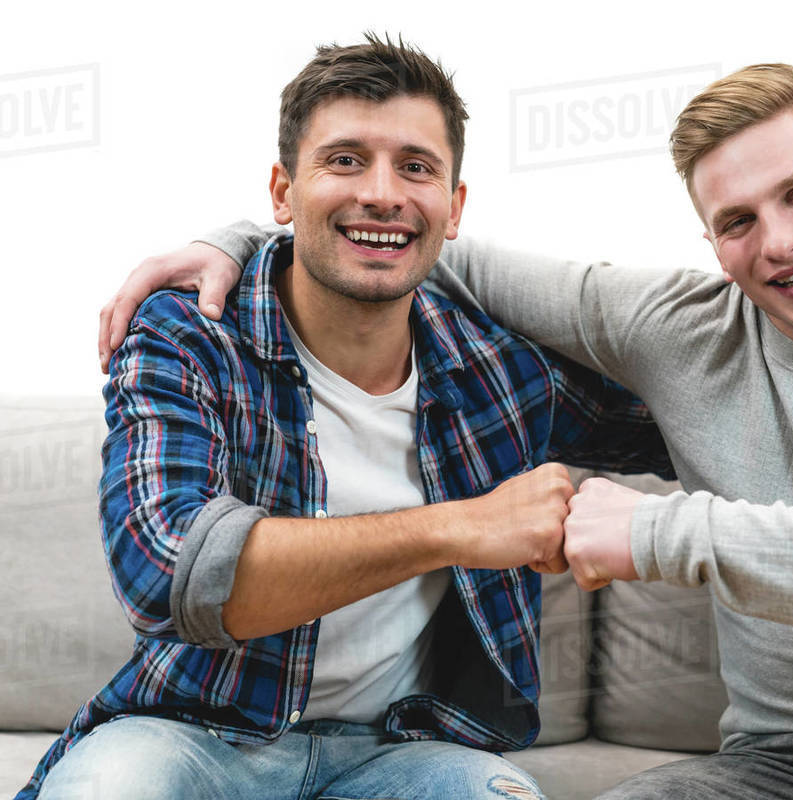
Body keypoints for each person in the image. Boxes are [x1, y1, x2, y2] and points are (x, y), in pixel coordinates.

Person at [99, 63, 793, 797]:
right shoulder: (681, 333)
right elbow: (408, 241)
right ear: (710, 239)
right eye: (737, 221)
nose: (777, 242)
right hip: (772, 768)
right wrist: (236, 240)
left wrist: (659, 532)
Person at [21, 33, 674, 800]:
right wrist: (459, 526)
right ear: (281, 192)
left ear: (454, 208)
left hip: (404, 750)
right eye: (345, 159)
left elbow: (700, 408)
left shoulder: (497, 370)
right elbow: (171, 575)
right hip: (192, 734)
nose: (383, 193)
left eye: (417, 167)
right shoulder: (188, 336)